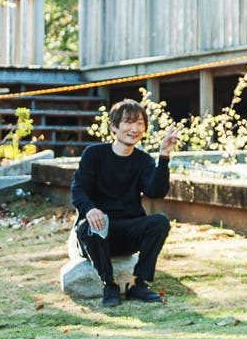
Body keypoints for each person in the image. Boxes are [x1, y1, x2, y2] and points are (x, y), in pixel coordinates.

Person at [72, 101, 180, 309]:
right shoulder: (94, 154)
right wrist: (90, 209)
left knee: (159, 222)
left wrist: (164, 156)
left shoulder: (143, 160)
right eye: (128, 122)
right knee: (92, 225)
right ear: (114, 126)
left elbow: (155, 192)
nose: (134, 128)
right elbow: (78, 190)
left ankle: (138, 284)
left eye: (139, 123)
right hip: (98, 233)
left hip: (128, 231)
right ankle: (109, 285)